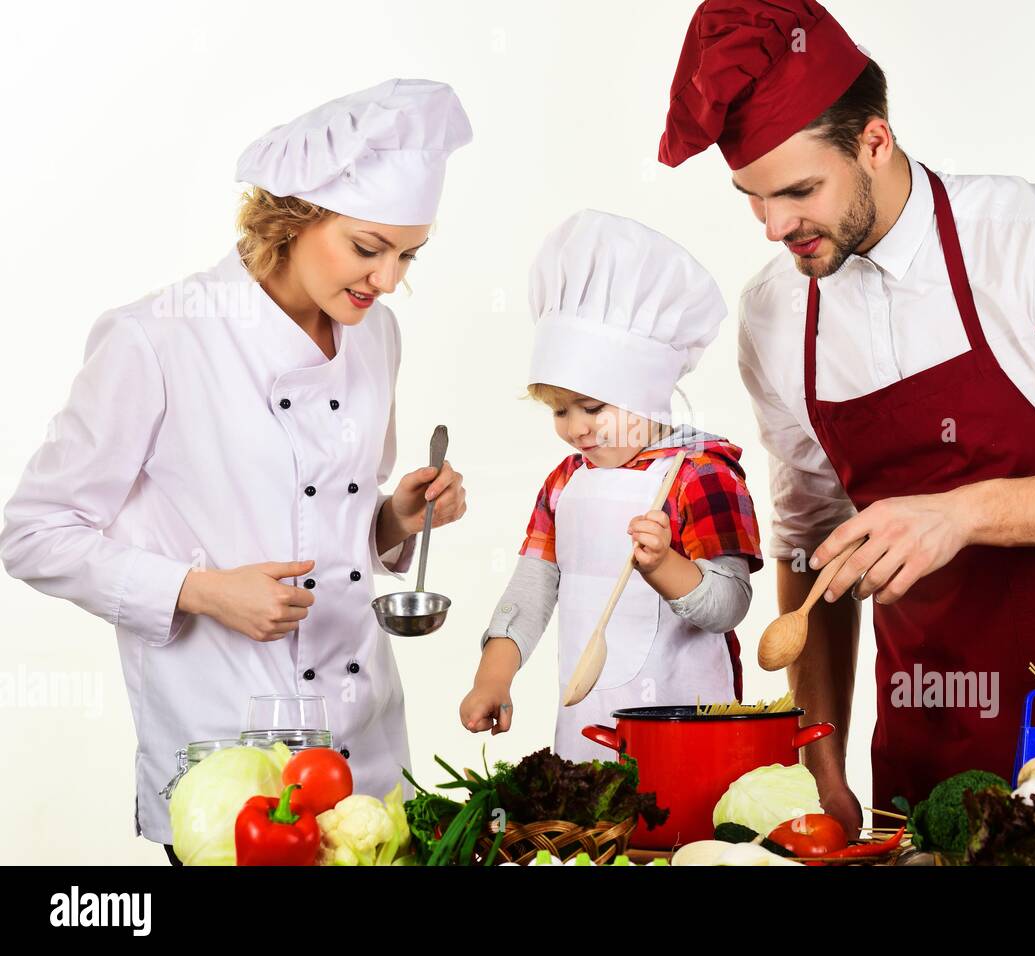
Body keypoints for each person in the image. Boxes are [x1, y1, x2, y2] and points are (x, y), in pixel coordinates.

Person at [658, 1, 1035, 832]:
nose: (776, 227)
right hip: (926, 732)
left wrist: (964, 513)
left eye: (800, 191)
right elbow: (813, 552)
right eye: (753, 198)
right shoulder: (775, 313)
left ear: (874, 141)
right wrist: (820, 765)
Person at [0, 78, 471, 862]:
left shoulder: (375, 335)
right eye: (368, 248)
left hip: (368, 752)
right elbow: (32, 532)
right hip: (231, 764)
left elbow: (335, 521)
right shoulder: (157, 340)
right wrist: (204, 591)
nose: (388, 280)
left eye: (407, 254)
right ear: (291, 217)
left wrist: (396, 519)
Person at [459, 210, 764, 760]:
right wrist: (493, 677)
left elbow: (729, 605)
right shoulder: (566, 482)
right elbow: (531, 589)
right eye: (559, 411)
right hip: (585, 721)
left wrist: (665, 566)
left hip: (687, 726)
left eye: (592, 407)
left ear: (645, 389)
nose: (576, 428)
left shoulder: (701, 473)